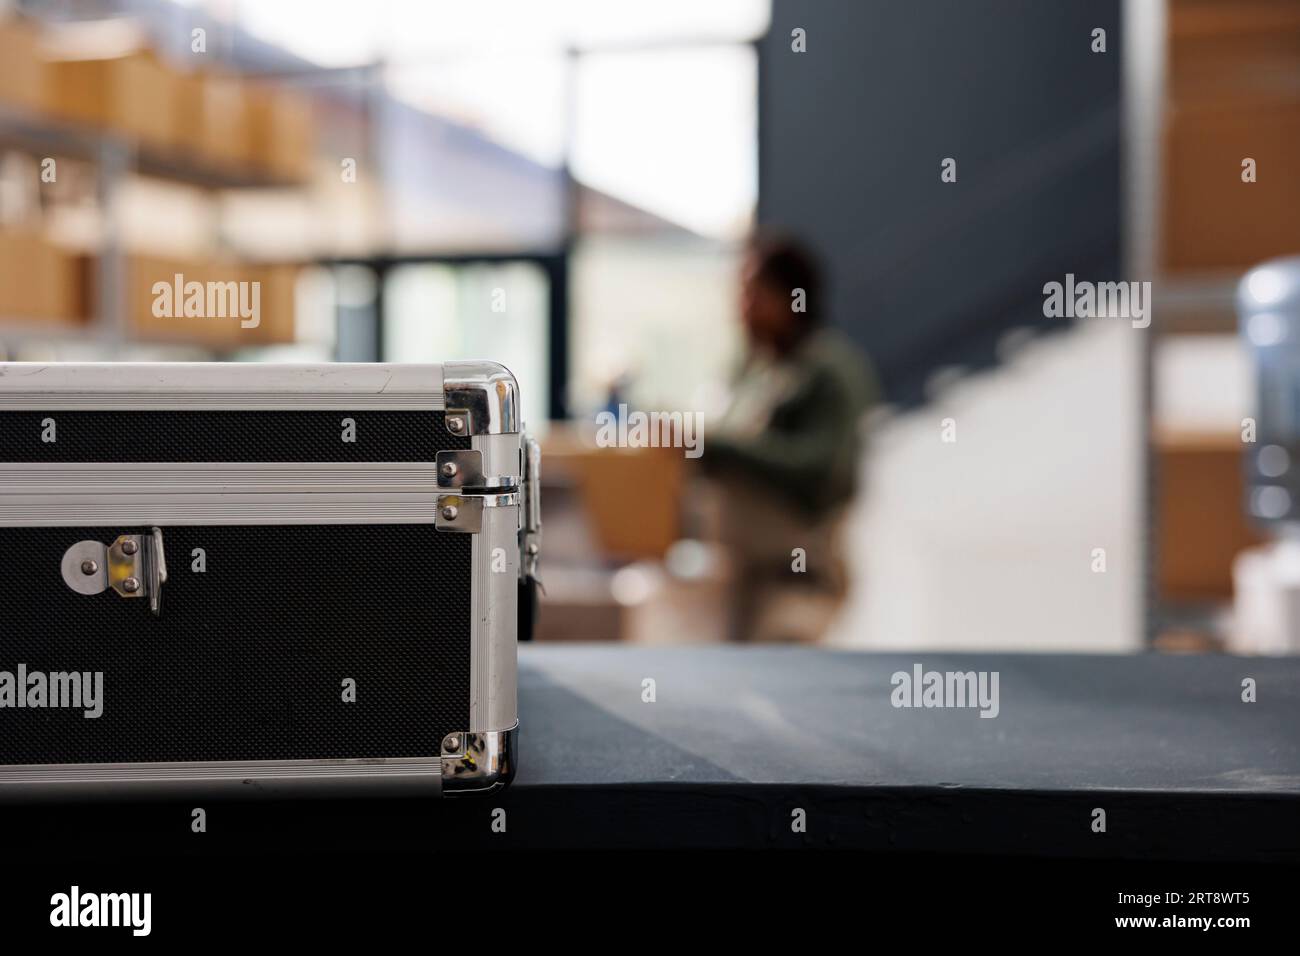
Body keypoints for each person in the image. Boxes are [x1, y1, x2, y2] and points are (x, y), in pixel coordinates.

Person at [701, 232, 878, 642]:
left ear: (790, 298)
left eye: (754, 295)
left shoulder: (828, 371)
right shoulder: (756, 370)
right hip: (744, 578)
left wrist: (716, 446)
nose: (742, 310)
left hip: (796, 580)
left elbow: (821, 469)